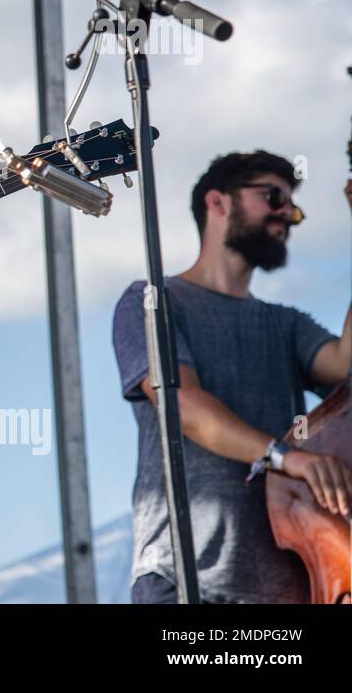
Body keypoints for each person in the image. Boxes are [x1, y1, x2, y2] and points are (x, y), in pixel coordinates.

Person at [113, 151, 352, 603]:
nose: (289, 215)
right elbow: (185, 406)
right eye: (275, 196)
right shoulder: (150, 301)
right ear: (218, 202)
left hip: (288, 582)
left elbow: (344, 365)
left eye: (293, 205)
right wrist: (286, 457)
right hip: (184, 578)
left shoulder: (286, 323)